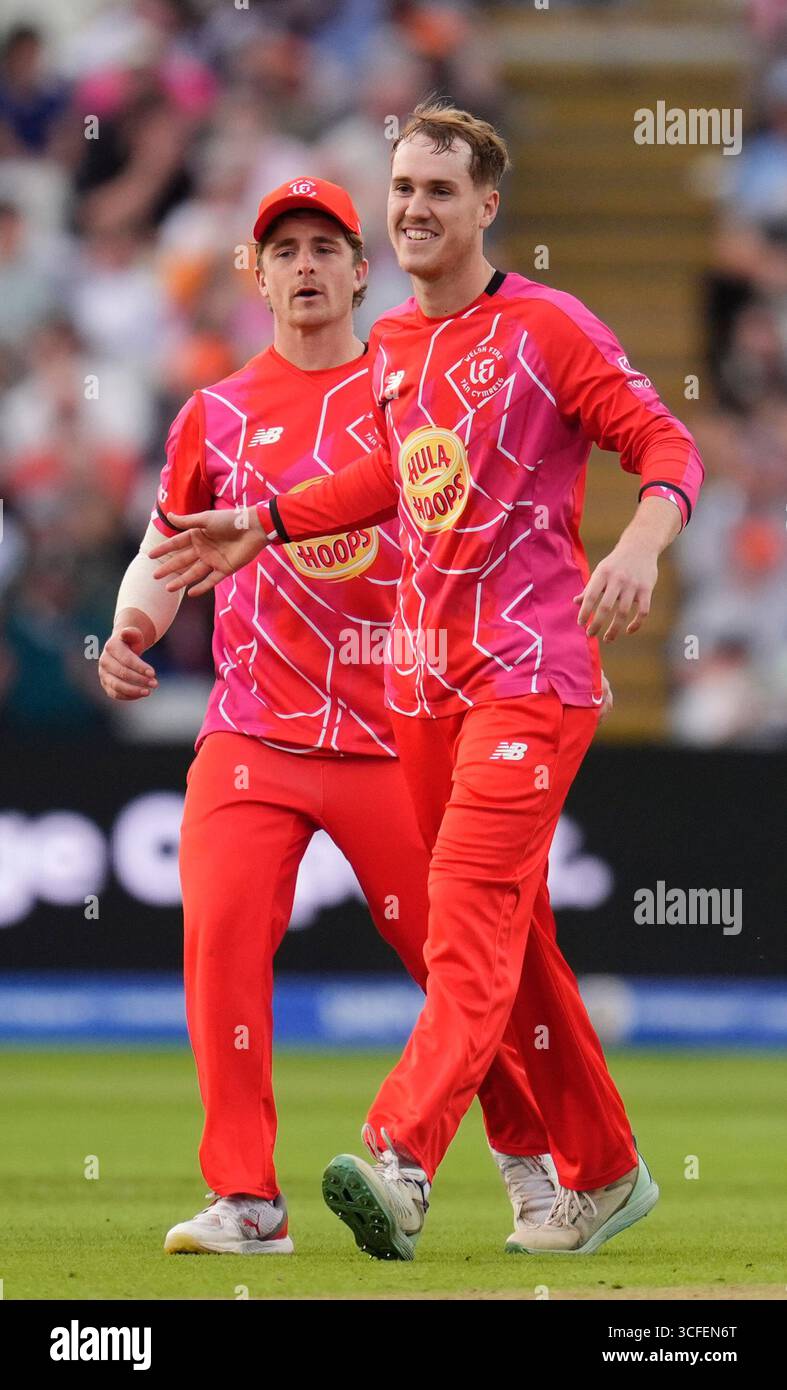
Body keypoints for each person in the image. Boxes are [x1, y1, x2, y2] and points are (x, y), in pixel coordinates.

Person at [151, 104, 704, 1260]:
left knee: (462, 917)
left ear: (486, 205)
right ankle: (601, 1172)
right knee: (524, 950)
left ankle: (400, 1157)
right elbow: (387, 480)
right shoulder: (395, 344)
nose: (413, 209)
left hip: (531, 673)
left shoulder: (546, 327)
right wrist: (266, 519)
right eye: (402, 188)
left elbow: (664, 444)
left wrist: (640, 546)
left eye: (438, 191)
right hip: (423, 691)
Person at [99, 175, 592, 1256]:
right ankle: (248, 1202)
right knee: (220, 943)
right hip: (251, 734)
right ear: (258, 272)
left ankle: (530, 1170)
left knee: (457, 968)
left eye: (328, 245)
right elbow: (165, 543)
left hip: (395, 730)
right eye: (287, 250)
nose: (308, 265)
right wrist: (132, 629)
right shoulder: (214, 411)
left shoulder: (409, 384)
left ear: (363, 269)